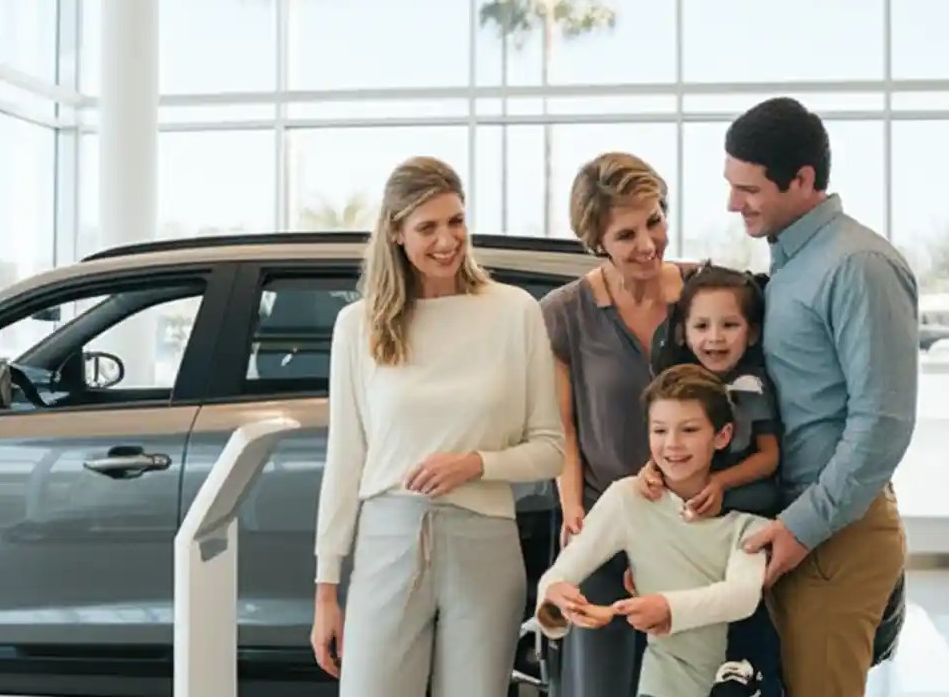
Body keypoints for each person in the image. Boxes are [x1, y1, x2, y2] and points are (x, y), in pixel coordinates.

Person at [309, 155, 566, 696]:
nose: (447, 240)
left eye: (456, 221)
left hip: (486, 545)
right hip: (387, 542)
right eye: (427, 227)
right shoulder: (358, 327)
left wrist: (475, 464)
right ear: (397, 233)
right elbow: (345, 459)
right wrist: (326, 589)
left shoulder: (513, 311)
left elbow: (550, 450)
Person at [724, 96, 918, 696]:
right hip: (796, 526)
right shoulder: (793, 265)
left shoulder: (857, 265)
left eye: (749, 188)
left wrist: (801, 529)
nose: (734, 203)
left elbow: (881, 424)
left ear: (802, 180)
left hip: (835, 534)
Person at [538, 151, 695, 697]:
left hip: (695, 526)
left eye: (655, 221)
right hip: (607, 522)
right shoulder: (564, 313)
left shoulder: (708, 296)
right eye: (627, 234)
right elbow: (564, 428)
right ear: (597, 241)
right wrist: (576, 509)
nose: (648, 243)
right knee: (599, 683)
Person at [534, 364, 769, 697]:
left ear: (722, 436)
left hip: (738, 682)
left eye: (688, 430)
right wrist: (556, 593)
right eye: (659, 431)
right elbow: (561, 572)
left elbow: (741, 597)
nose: (672, 444)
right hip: (662, 681)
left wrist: (666, 607)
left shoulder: (749, 520)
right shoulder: (627, 499)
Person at [635, 263, 785, 696]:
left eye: (729, 325)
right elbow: (665, 448)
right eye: (701, 325)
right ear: (683, 331)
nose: (714, 338)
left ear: (752, 333)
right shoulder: (684, 387)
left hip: (747, 514)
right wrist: (652, 470)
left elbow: (770, 457)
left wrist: (720, 483)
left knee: (744, 599)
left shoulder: (749, 387)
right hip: (700, 524)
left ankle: (746, 669)